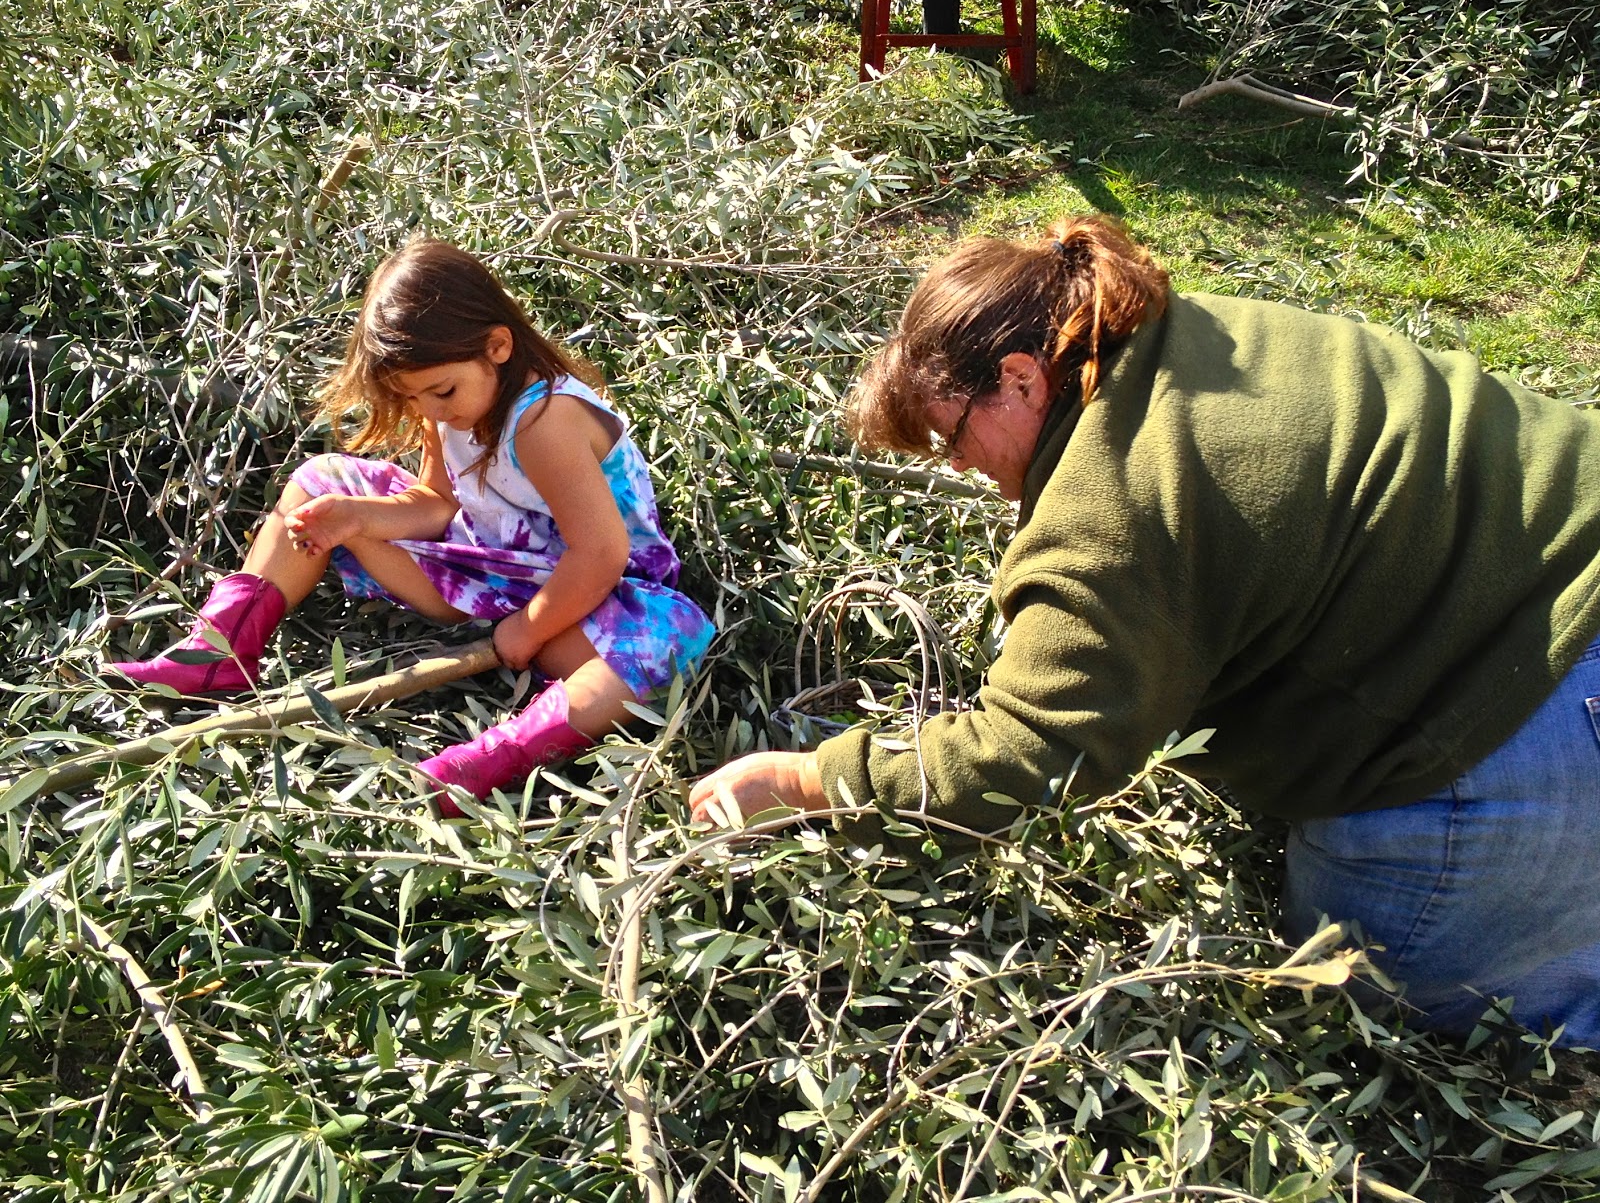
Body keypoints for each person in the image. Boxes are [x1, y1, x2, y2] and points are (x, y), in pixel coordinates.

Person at [689, 215, 1600, 1044]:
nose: (963, 468)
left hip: (1523, 699)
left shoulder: (1111, 514)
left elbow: (1028, 755)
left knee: (1383, 1022)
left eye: (952, 437)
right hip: (1567, 512)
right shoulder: (1176, 331)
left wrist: (809, 779)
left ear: (1017, 377)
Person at [107, 239, 714, 815]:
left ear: (498, 347)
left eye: (441, 391)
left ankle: (489, 764)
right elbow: (434, 503)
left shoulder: (546, 422)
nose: (429, 410)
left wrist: (524, 635)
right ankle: (219, 650)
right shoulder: (448, 404)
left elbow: (601, 554)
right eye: (413, 397)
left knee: (669, 643)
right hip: (484, 566)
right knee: (322, 481)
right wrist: (358, 517)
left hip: (593, 596)